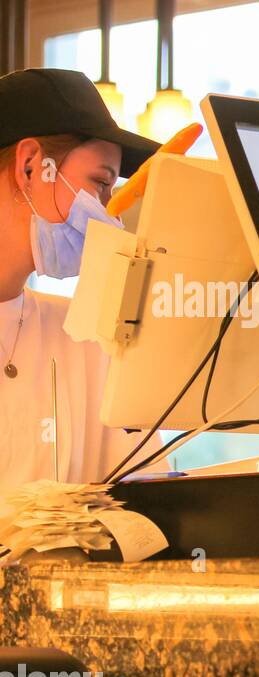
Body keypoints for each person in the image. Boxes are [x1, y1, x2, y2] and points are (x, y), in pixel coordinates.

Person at [0, 69, 161, 490]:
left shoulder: (86, 339)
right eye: (101, 183)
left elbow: (148, 500)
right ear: (32, 166)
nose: (109, 214)